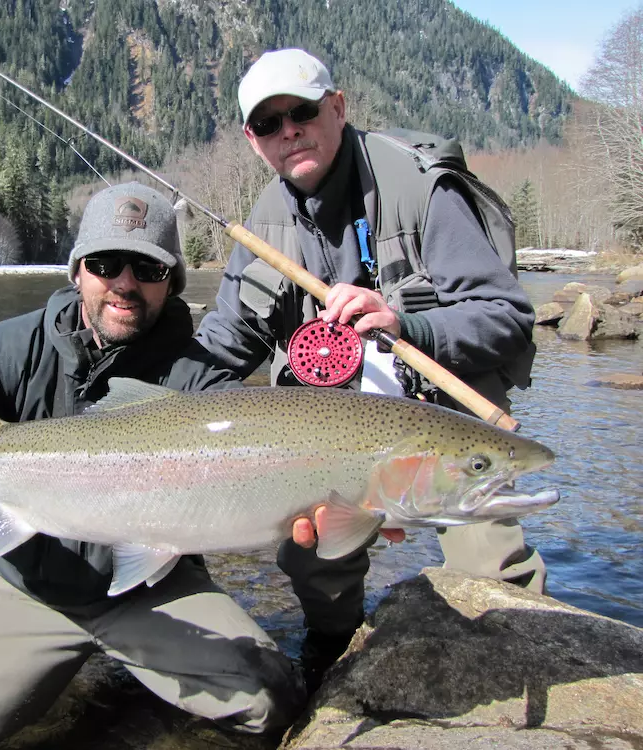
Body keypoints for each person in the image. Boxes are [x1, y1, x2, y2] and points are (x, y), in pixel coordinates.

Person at [0, 182, 306, 750]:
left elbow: (264, 470)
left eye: (147, 268)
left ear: (170, 282)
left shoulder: (201, 381)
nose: (125, 283)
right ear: (77, 271)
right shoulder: (5, 349)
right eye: (105, 264)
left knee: (273, 702)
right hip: (29, 584)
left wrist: (308, 509)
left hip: (154, 588)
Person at [194, 48, 547, 693]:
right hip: (330, 444)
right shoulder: (263, 228)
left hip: (446, 430)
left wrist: (408, 325)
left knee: (495, 575)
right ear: (252, 140)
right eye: (268, 125)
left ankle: (526, 671)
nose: (288, 131)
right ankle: (333, 655)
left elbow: (506, 315)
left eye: (301, 112)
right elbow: (218, 351)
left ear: (337, 107)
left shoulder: (422, 189)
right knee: (311, 558)